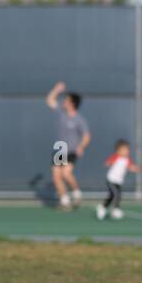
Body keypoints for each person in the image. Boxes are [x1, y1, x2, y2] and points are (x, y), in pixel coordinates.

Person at [46, 82, 90, 210]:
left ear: (72, 104)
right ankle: (64, 200)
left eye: (66, 100)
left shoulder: (79, 119)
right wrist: (56, 89)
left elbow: (87, 135)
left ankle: (77, 194)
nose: (64, 101)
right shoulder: (61, 113)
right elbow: (49, 101)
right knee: (56, 176)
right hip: (60, 148)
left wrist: (81, 146)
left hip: (71, 150)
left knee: (66, 173)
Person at [97, 139, 141, 220]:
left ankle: (102, 207)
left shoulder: (127, 159)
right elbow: (107, 162)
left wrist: (137, 169)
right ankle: (116, 209)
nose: (126, 151)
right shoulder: (116, 157)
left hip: (118, 181)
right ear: (118, 150)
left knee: (112, 196)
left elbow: (131, 168)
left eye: (127, 149)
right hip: (111, 180)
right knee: (117, 194)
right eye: (124, 149)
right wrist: (108, 163)